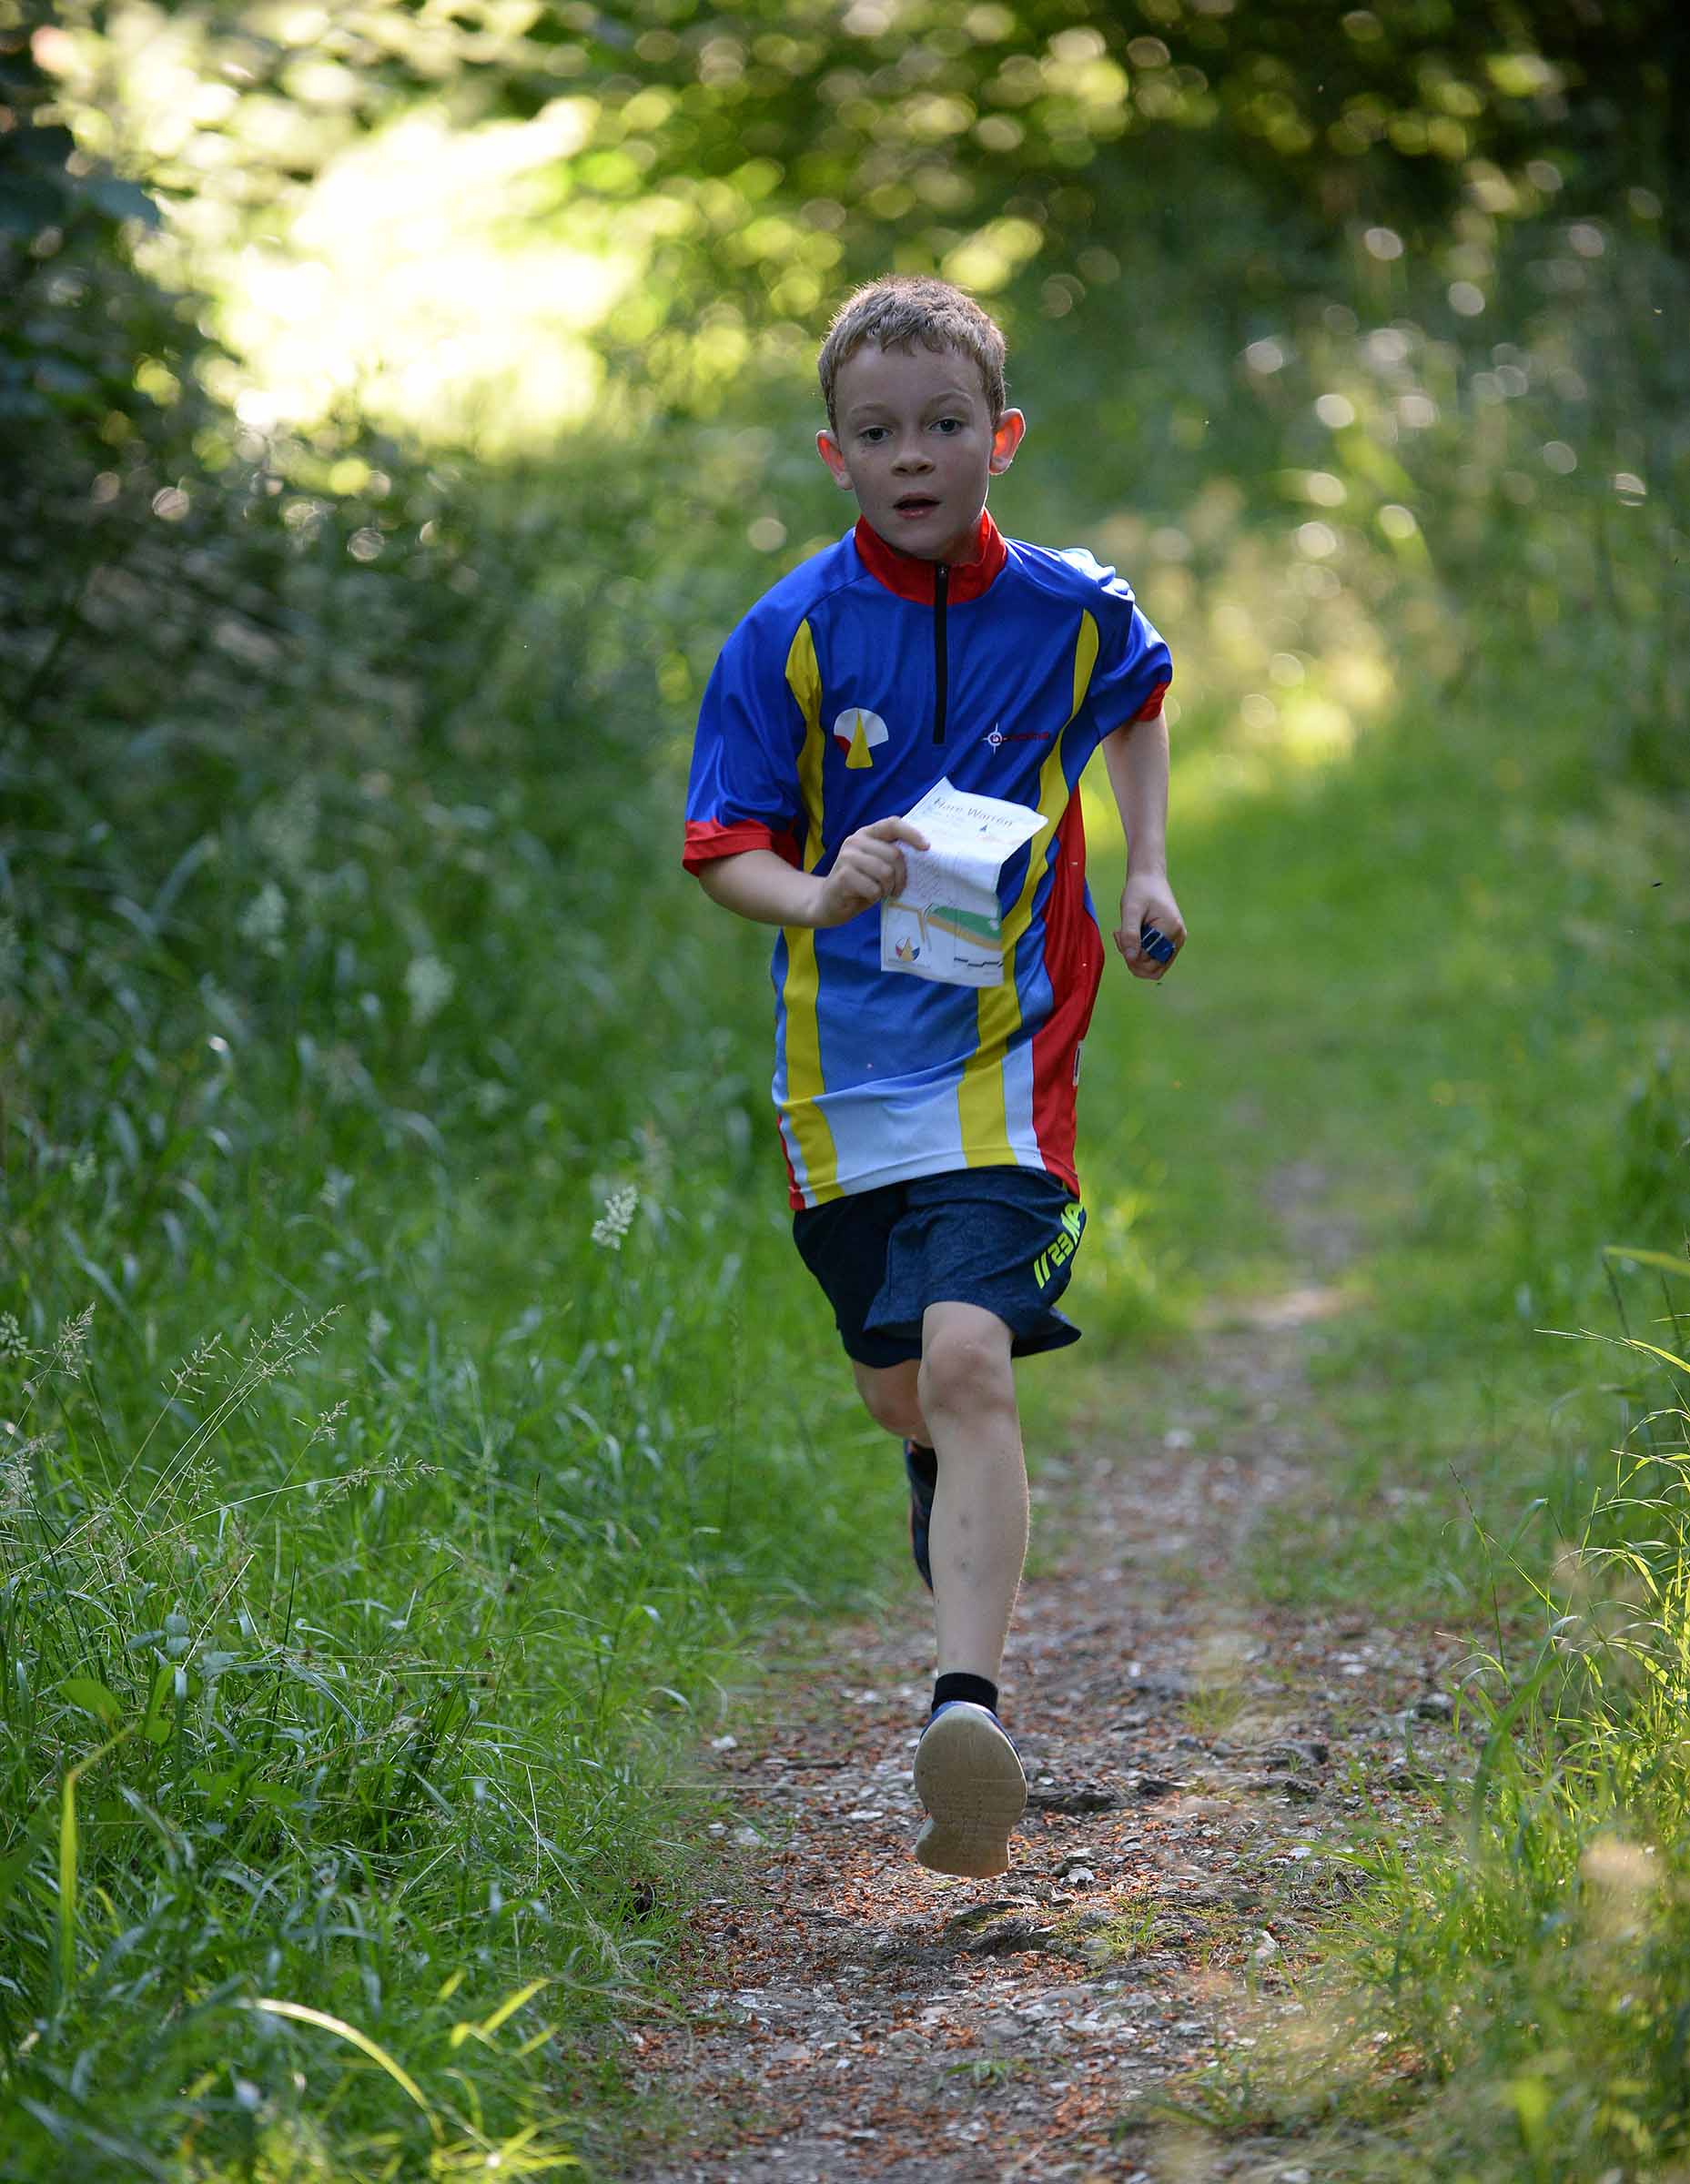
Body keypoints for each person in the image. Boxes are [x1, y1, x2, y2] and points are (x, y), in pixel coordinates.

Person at [683, 274, 1185, 1879]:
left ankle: (963, 1710)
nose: (915, 454)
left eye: (945, 425)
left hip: (1010, 1053)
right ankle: (922, 1454)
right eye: (879, 432)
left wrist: (1147, 873)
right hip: (844, 1074)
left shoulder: (1071, 602)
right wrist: (824, 893)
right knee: (902, 1380)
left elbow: (1140, 697)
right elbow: (724, 852)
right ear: (834, 455)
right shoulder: (790, 632)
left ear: (1001, 437)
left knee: (973, 1358)